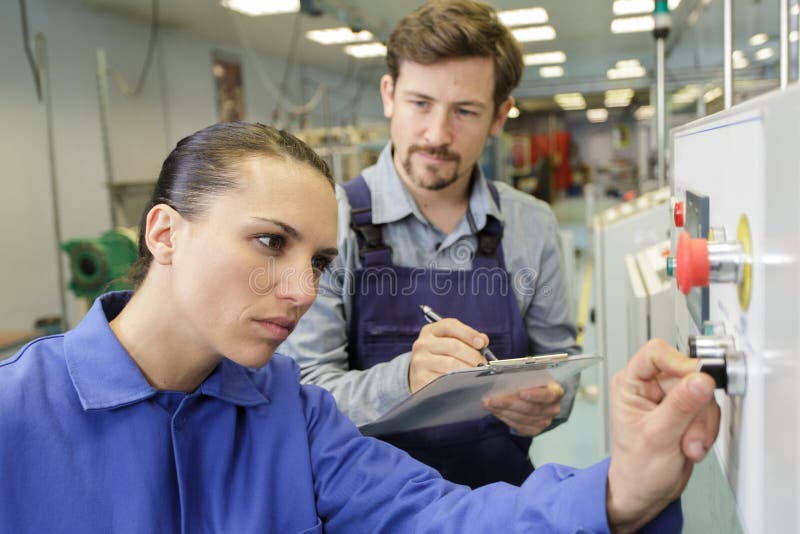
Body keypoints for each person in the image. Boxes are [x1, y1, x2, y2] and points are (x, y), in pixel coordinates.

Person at [0, 121, 719, 533]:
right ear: (164, 232)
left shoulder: (293, 414)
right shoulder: (17, 416)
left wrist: (624, 490)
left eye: (316, 259)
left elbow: (441, 519)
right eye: (268, 242)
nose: (302, 290)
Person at [279, 0, 578, 488]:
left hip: (496, 504)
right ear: (389, 94)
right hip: (364, 507)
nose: (437, 134)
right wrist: (408, 380)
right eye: (421, 103)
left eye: (464, 111)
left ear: (500, 116)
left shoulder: (532, 226)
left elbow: (562, 362)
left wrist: (552, 401)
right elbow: (304, 391)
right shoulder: (326, 220)